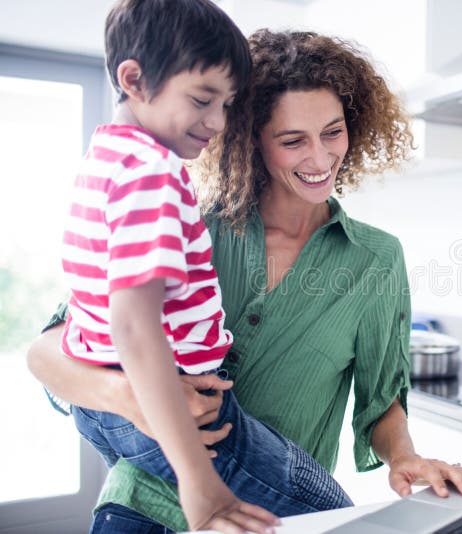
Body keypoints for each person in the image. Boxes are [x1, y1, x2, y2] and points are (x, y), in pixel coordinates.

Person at [28, 29, 462, 533]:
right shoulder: (191, 226)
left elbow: (382, 402)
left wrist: (404, 456)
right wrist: (126, 398)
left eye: (332, 132)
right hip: (145, 509)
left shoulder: (375, 260)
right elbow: (47, 353)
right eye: (293, 141)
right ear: (251, 141)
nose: (319, 158)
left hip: (271, 518)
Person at [55, 2, 351, 532]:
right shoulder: (154, 172)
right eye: (202, 99)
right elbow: (132, 325)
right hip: (182, 411)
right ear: (135, 79)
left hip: (111, 403)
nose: (217, 122)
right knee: (333, 512)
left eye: (227, 104)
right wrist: (196, 477)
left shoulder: (108, 156)